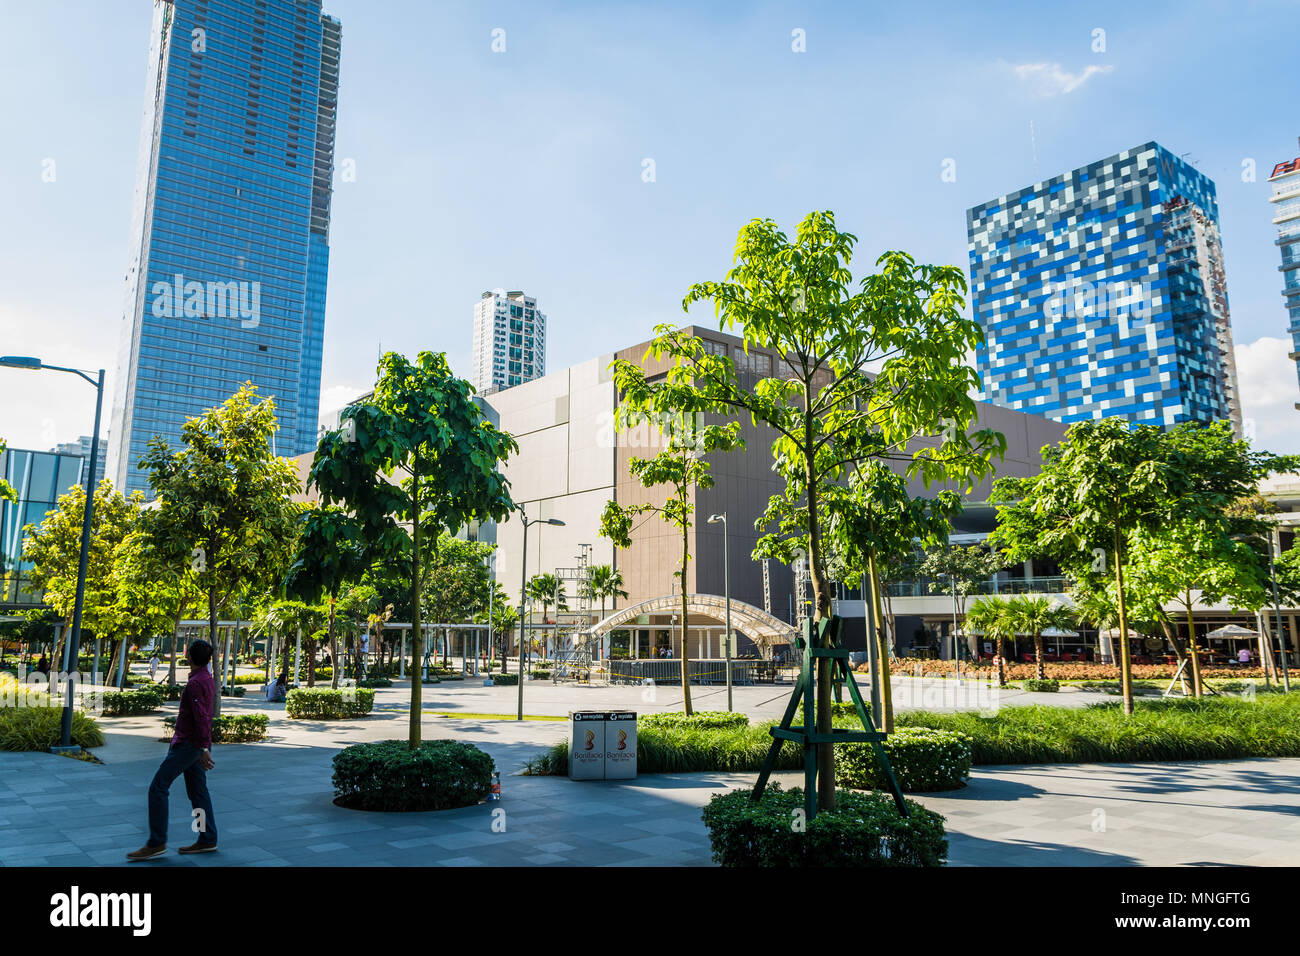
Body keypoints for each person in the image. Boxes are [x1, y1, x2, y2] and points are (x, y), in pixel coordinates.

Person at [127, 640, 218, 860]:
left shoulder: (196, 684)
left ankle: (156, 842)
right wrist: (205, 745)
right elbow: (206, 716)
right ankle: (207, 838)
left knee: (158, 787)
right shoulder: (208, 680)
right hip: (196, 744)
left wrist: (204, 747)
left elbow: (201, 717)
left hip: (188, 744)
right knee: (198, 792)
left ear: (189, 659)